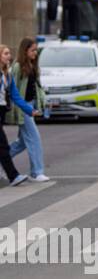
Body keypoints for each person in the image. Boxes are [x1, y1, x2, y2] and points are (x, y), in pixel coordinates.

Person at [8, 38, 49, 182]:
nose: (35, 53)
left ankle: (2, 161)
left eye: (36, 50)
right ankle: (37, 172)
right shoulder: (18, 67)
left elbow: (38, 87)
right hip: (22, 108)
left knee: (22, 142)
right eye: (32, 50)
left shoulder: (33, 66)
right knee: (34, 138)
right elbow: (13, 91)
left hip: (30, 105)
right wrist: (20, 108)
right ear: (25, 51)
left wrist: (43, 102)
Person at [0, 45, 31, 187]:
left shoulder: (8, 75)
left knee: (2, 146)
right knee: (3, 145)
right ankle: (14, 176)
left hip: (1, 111)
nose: (9, 56)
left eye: (9, 53)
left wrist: (29, 110)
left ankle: (13, 176)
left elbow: (16, 96)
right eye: (6, 53)